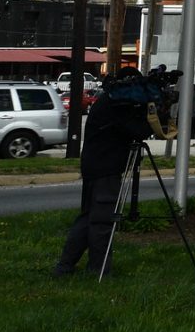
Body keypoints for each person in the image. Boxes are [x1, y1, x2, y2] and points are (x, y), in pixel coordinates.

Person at [55, 68, 170, 277]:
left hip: (94, 165)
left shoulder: (108, 100)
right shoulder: (117, 105)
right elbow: (139, 131)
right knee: (101, 220)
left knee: (88, 217)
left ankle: (65, 266)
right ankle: (98, 271)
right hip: (106, 168)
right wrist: (158, 115)